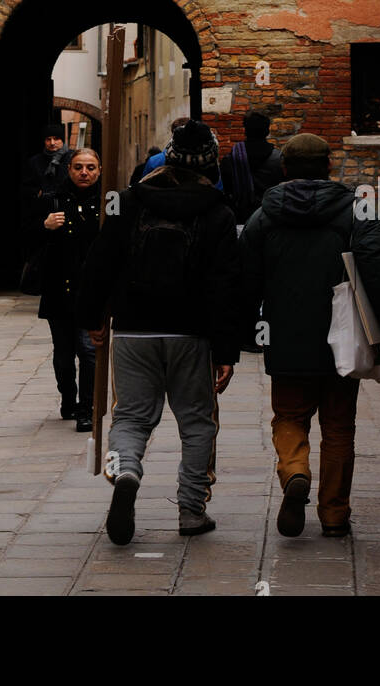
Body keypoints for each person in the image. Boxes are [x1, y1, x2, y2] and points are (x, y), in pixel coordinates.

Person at [239, 133, 380, 539]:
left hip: (284, 336)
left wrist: (244, 331)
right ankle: (334, 514)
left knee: (289, 416)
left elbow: (243, 278)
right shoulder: (356, 212)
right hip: (343, 339)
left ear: (284, 169)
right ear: (328, 166)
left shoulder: (263, 217)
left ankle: (296, 471)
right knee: (338, 428)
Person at [79, 120, 241, 545]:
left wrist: (93, 317)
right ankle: (191, 510)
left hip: (133, 329)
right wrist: (227, 349)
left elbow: (100, 261)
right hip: (192, 332)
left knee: (131, 417)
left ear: (166, 158)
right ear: (211, 165)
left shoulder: (127, 201)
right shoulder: (219, 212)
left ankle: (127, 471)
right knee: (197, 422)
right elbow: (225, 285)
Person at [26, 149, 102, 431]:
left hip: (91, 289)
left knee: (89, 350)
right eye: (79, 167)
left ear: (99, 170)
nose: (85, 172)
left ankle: (87, 409)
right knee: (63, 352)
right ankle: (68, 399)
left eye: (90, 167)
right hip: (58, 287)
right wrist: (44, 226)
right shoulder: (51, 200)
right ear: (69, 169)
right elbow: (27, 240)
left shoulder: (110, 202)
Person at [219, 111, 284, 232]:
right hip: (270, 215)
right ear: (267, 131)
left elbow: (226, 190)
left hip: (239, 219)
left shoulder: (231, 159)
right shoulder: (279, 159)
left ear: (245, 130)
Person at [21, 123, 74, 214]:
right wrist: (38, 193)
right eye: (48, 139)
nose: (52, 143)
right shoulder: (35, 161)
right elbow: (26, 186)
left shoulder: (73, 158)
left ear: (62, 140)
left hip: (68, 207)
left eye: (56, 139)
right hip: (43, 209)